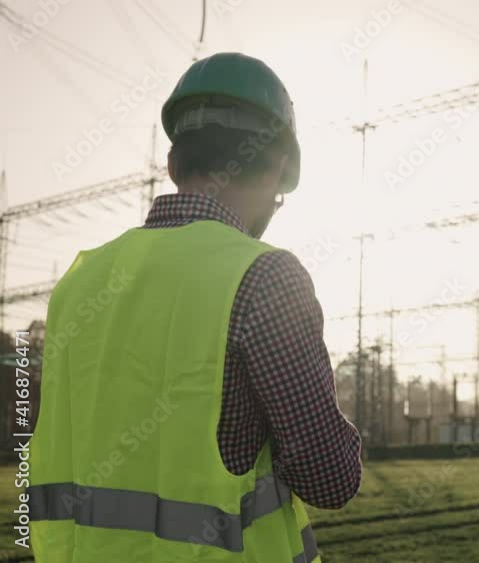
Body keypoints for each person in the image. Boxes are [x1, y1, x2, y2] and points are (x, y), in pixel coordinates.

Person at [28, 53, 361, 563]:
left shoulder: (79, 285)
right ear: (276, 168)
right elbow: (329, 478)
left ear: (173, 164)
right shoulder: (266, 278)